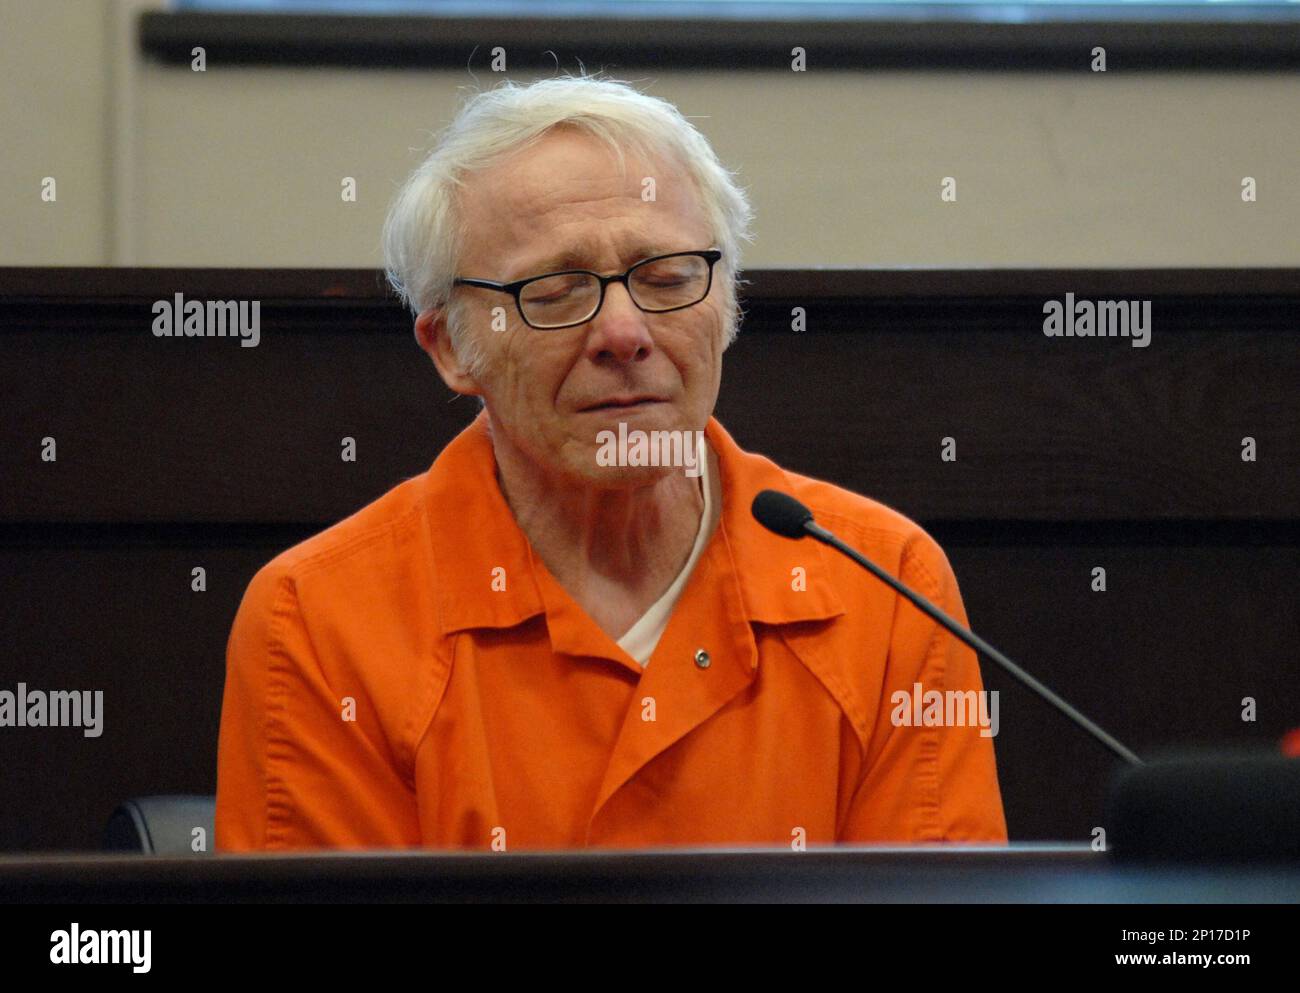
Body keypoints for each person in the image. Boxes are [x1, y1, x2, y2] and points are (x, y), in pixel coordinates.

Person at [215, 75, 1007, 851]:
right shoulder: (319, 621)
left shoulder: (882, 583)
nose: (624, 332)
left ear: (727, 305)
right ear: (453, 346)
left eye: (666, 278)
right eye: (556, 291)